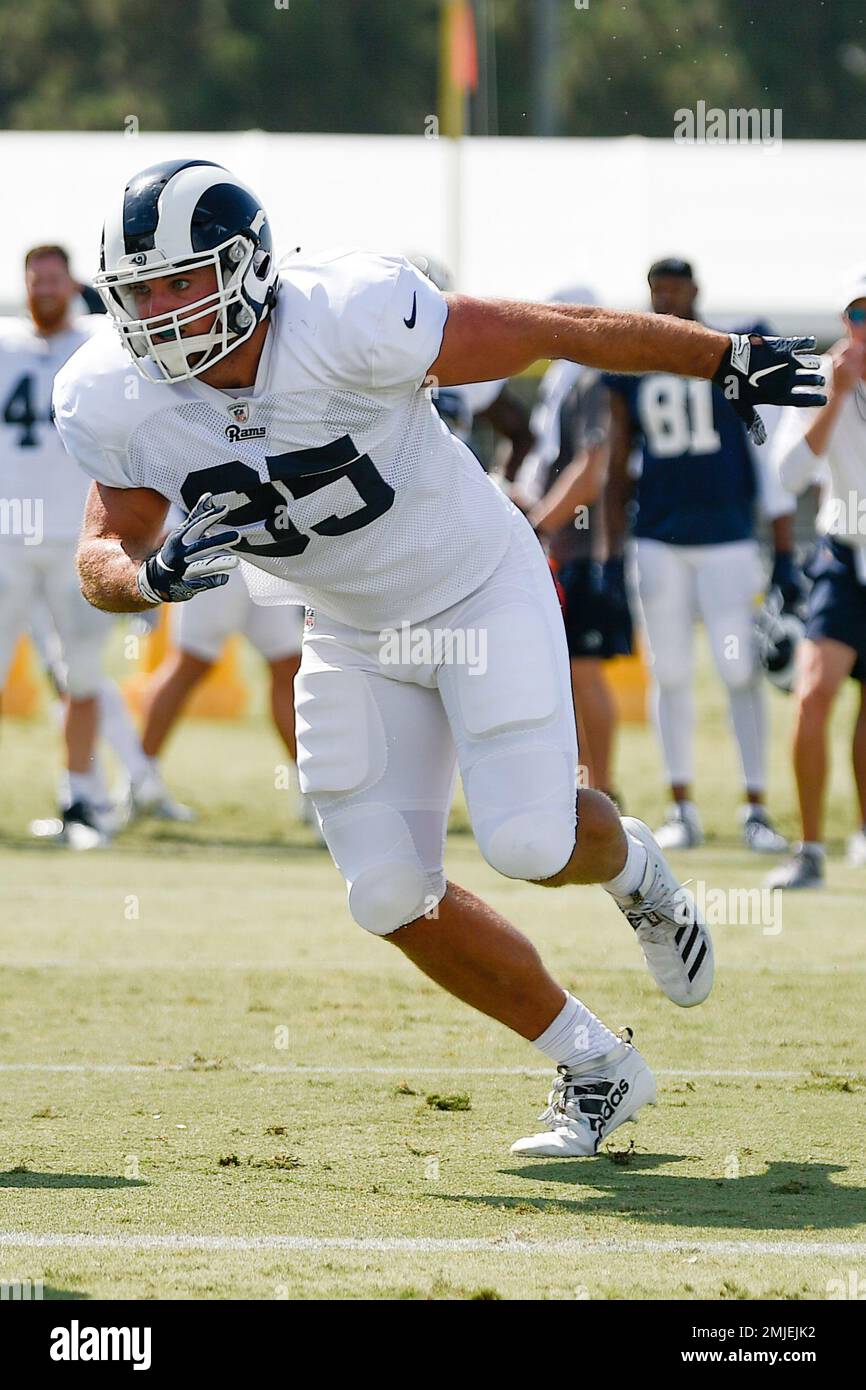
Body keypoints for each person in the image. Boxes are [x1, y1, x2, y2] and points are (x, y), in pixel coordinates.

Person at [53, 160, 822, 1156]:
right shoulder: (111, 394)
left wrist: (719, 353)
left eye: (175, 282)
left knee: (529, 842)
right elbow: (98, 549)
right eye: (137, 291)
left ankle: (635, 868)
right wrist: (148, 577)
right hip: (346, 630)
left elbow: (552, 328)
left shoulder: (349, 315)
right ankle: (593, 1063)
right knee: (382, 891)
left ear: (242, 267)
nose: (154, 312)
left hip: (474, 588)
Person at [604, 258, 800, 854]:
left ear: (695, 292)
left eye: (675, 289)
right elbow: (616, 463)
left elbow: (769, 359)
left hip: (728, 539)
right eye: (657, 290)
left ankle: (756, 807)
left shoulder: (728, 351)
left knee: (739, 670)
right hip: (659, 539)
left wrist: (785, 550)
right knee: (671, 673)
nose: (666, 299)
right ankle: (681, 804)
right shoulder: (632, 363)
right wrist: (610, 550)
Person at [0, 244, 111, 847]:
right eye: (34, 277)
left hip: (74, 537)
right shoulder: (5, 342)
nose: (43, 287)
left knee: (83, 674)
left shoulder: (97, 343)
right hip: (5, 539)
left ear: (71, 283)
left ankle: (81, 798)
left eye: (53, 277)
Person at [767, 274, 866, 889]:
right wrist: (836, 396)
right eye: (857, 315)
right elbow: (789, 476)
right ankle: (809, 849)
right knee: (813, 694)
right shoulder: (820, 378)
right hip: (841, 552)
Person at [138, 554, 312, 826]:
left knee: (288, 665)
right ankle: (139, 779)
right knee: (191, 663)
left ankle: (310, 787)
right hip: (217, 550)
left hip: (265, 555)